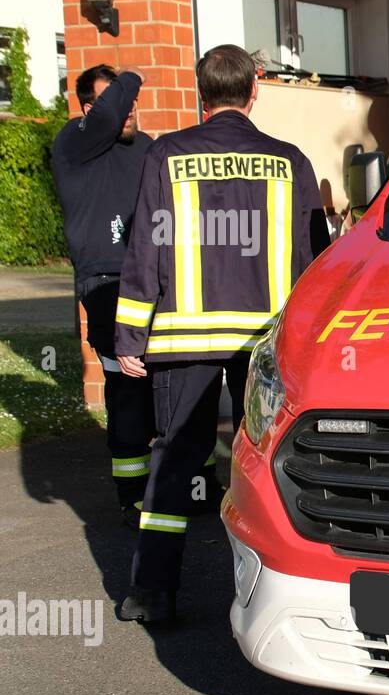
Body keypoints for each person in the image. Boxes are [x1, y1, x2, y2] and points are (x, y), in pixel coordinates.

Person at [114, 44, 325, 622]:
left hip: (186, 342)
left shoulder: (166, 155)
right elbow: (315, 258)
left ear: (199, 94)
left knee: (176, 459)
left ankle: (152, 592)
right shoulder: (290, 162)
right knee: (269, 458)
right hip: (264, 343)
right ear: (254, 91)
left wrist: (131, 337)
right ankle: (293, 594)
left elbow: (144, 250)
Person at [51, 66, 157, 525]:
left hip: (157, 280)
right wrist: (132, 76)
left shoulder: (148, 149)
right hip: (107, 285)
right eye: (117, 100)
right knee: (128, 385)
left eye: (132, 101)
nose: (129, 108)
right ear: (89, 109)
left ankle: (192, 482)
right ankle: (132, 490)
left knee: (173, 381)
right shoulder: (73, 144)